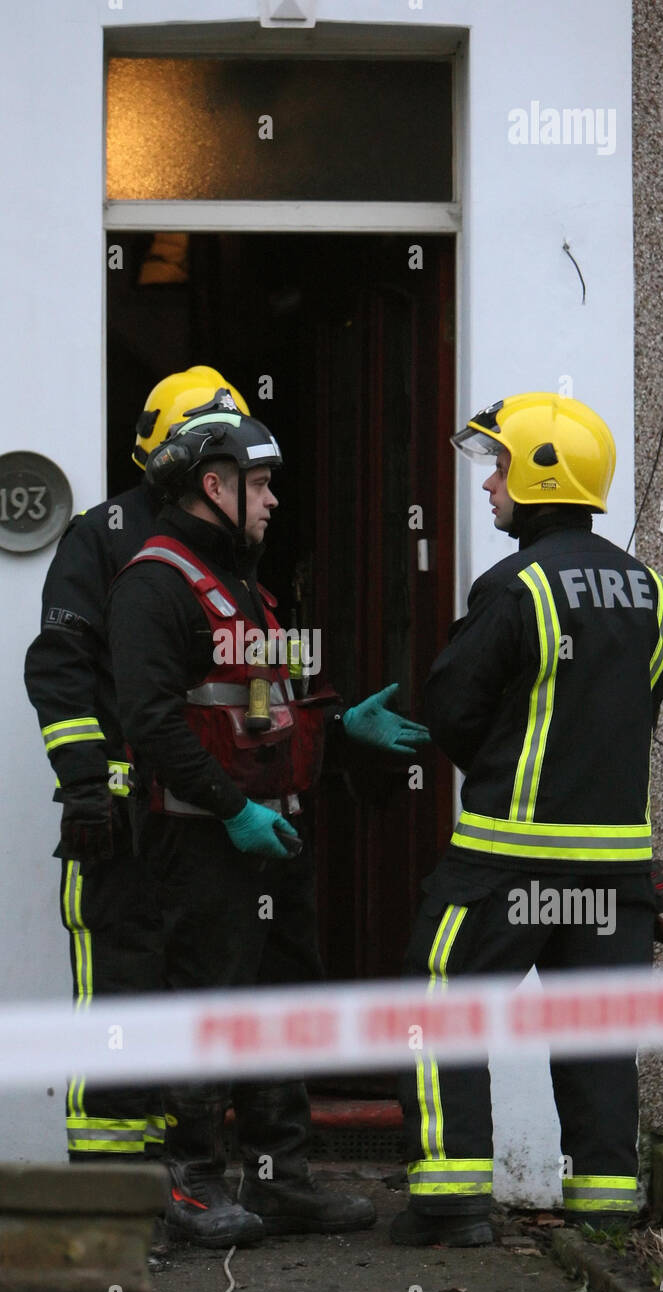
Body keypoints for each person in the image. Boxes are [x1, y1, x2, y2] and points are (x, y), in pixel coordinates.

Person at [108, 405, 430, 1246]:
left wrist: (339, 729)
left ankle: (280, 1181)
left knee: (284, 1003)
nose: (274, 501)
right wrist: (231, 809)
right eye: (261, 484)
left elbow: (263, 712)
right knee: (208, 1006)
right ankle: (192, 1186)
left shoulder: (246, 585)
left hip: (271, 839)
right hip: (205, 840)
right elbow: (150, 721)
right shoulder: (156, 583)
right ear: (213, 486)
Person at [390, 393, 663, 1248]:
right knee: (598, 1032)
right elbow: (635, 713)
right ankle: (605, 1211)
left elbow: (452, 709)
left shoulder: (516, 586)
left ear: (545, 471)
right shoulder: (656, 593)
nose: (490, 487)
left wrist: (497, 765)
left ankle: (450, 1204)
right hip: (616, 874)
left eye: (501, 466)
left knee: (437, 1003)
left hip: (506, 863)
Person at [24, 367, 249, 1165]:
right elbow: (60, 666)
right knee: (121, 988)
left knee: (183, 992)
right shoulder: (104, 533)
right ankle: (111, 1196)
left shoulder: (230, 542)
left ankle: (174, 1187)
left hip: (196, 818)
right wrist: (86, 781)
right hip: (118, 817)